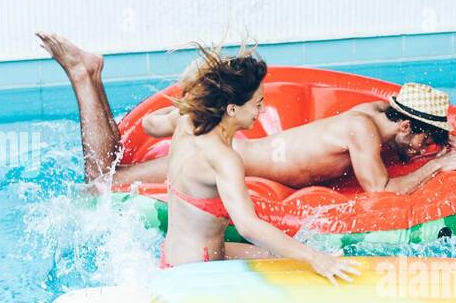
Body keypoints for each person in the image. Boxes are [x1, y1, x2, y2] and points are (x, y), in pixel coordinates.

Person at [37, 33, 456, 196]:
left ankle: (165, 117)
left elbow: (412, 130)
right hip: (228, 156)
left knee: (123, 165)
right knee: (103, 182)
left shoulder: (378, 112)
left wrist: (448, 141)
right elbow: (383, 190)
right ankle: (87, 77)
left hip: (240, 148)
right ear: (406, 124)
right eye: (426, 141)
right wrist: (438, 165)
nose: (424, 151)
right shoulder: (361, 129)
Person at [136, 43, 360, 283]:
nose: (261, 110)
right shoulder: (223, 159)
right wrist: (317, 258)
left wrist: (193, 104)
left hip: (177, 259)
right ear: (232, 109)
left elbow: (149, 124)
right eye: (257, 103)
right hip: (195, 275)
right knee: (298, 270)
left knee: (279, 259)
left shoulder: (186, 121)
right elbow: (248, 226)